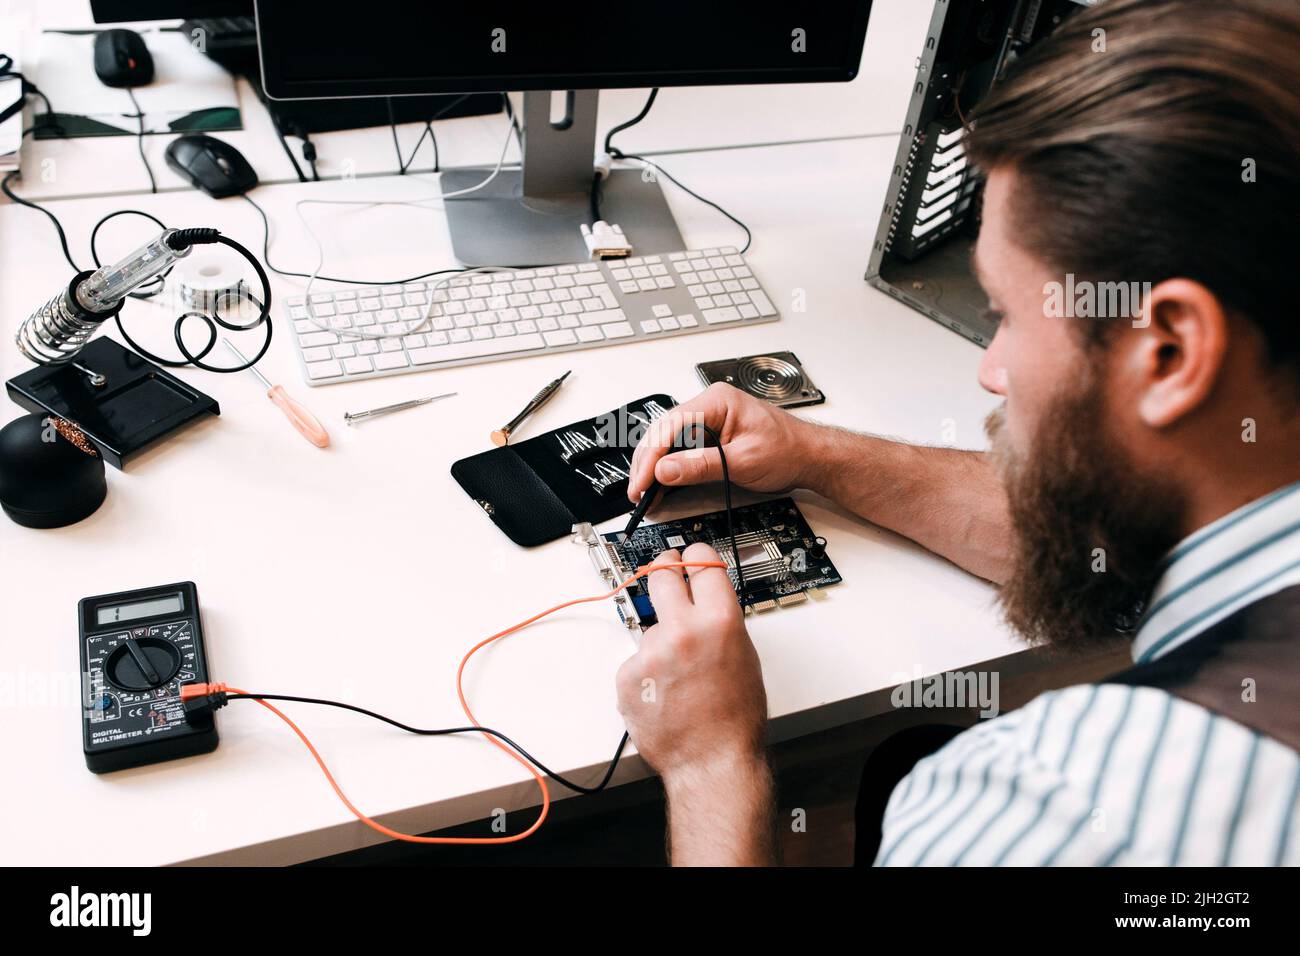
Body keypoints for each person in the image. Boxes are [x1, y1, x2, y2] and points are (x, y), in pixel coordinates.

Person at [615, 0, 1300, 866]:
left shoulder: (1054, 806)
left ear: (1169, 351)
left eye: (1008, 314)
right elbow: (1116, 552)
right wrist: (816, 452)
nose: (991, 368)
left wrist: (712, 761)